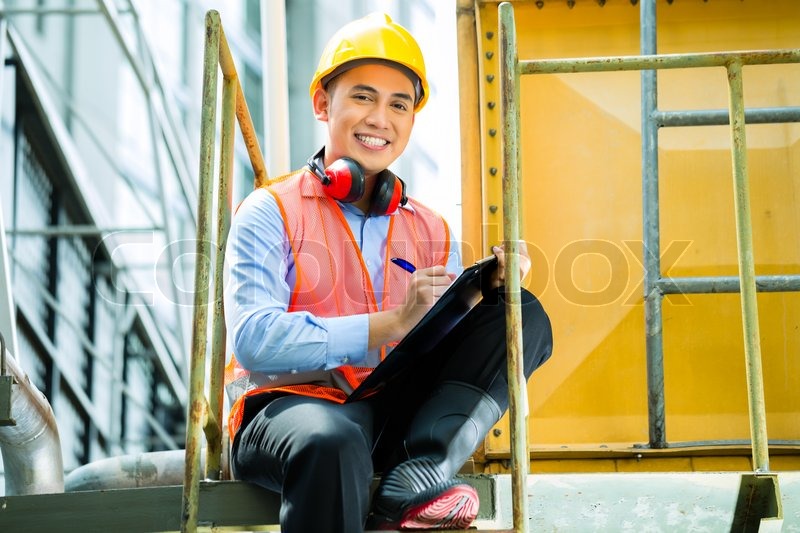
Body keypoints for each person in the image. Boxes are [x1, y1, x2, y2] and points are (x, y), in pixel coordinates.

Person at [223, 12, 553, 532]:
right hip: (287, 412)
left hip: (384, 415)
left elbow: (437, 350)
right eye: (362, 97)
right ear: (322, 104)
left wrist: (486, 288)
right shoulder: (270, 210)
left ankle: (421, 473)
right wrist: (390, 323)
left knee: (517, 311)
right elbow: (254, 341)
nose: (381, 117)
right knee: (329, 440)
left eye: (399, 104)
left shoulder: (430, 227)